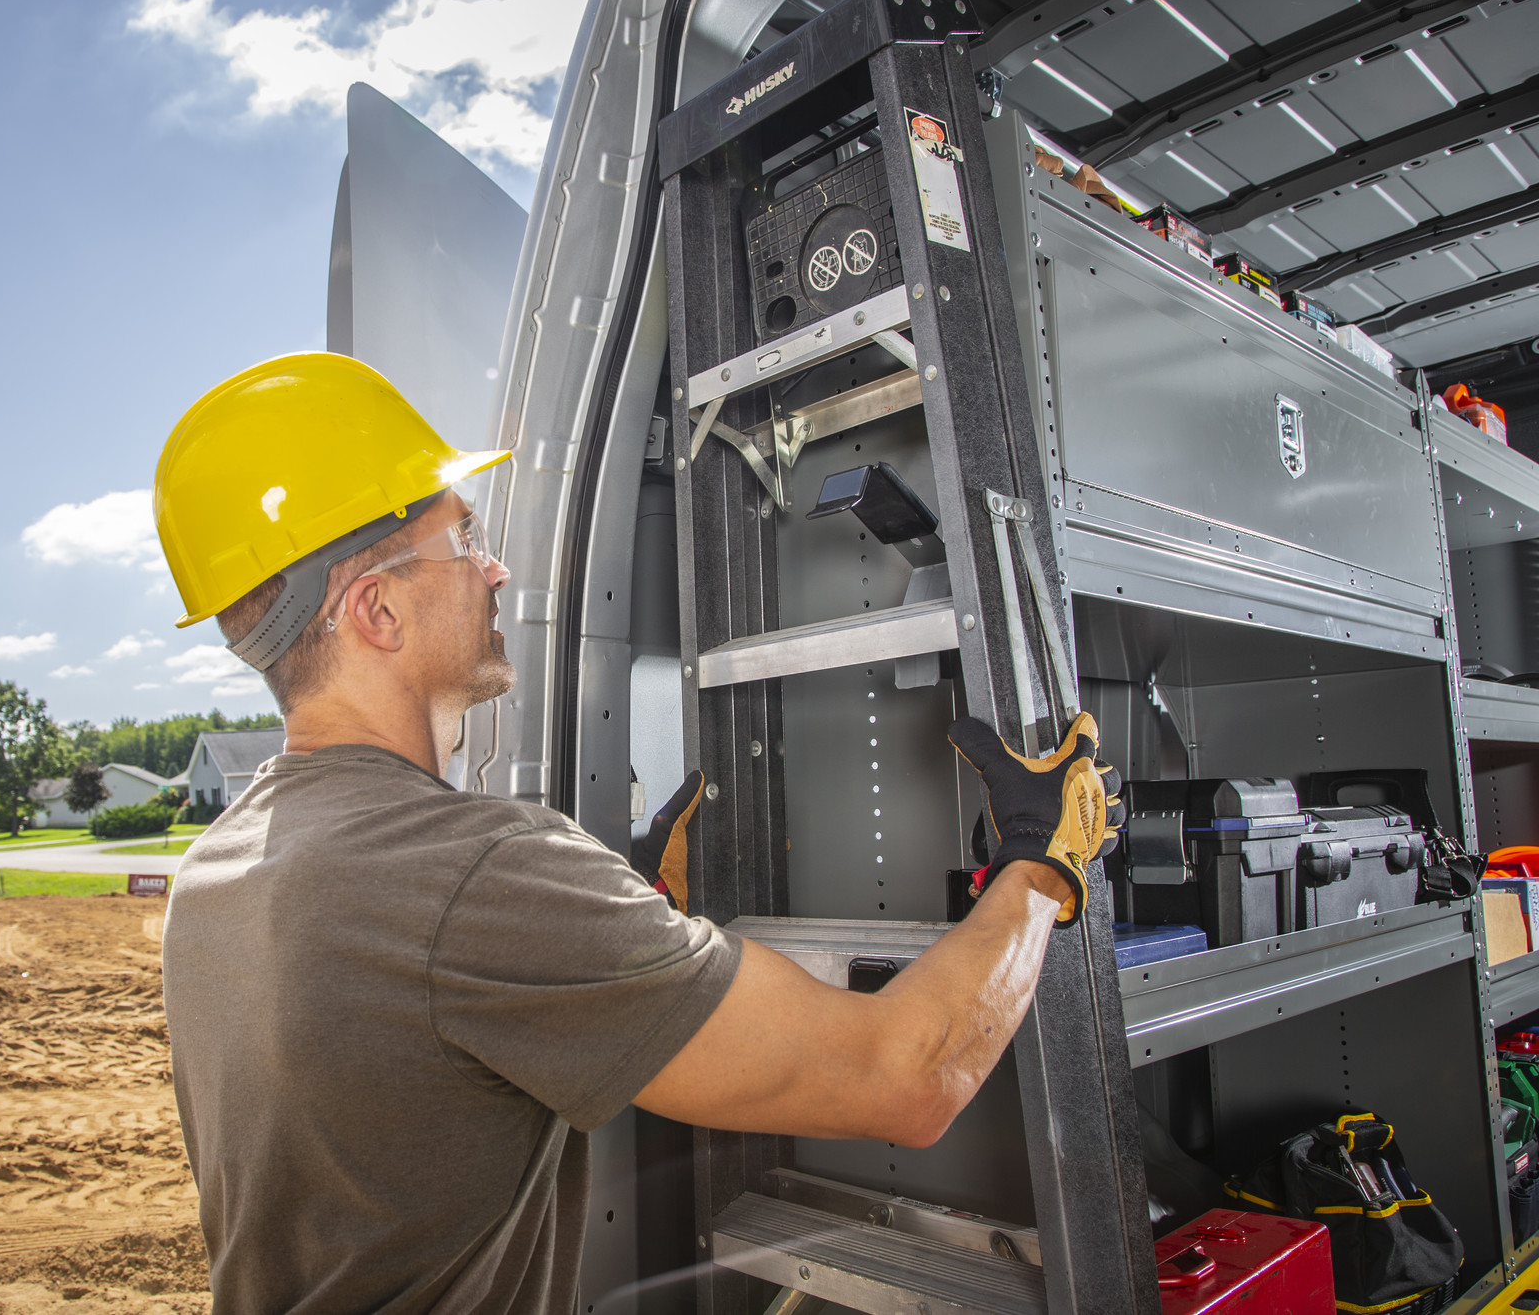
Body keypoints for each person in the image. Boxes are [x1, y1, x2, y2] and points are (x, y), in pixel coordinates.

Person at [153, 353, 1119, 1315]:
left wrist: (626, 918)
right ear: (375, 609)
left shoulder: (216, 873)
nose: (495, 569)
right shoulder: (477, 874)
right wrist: (1043, 863)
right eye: (465, 538)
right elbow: (907, 1077)